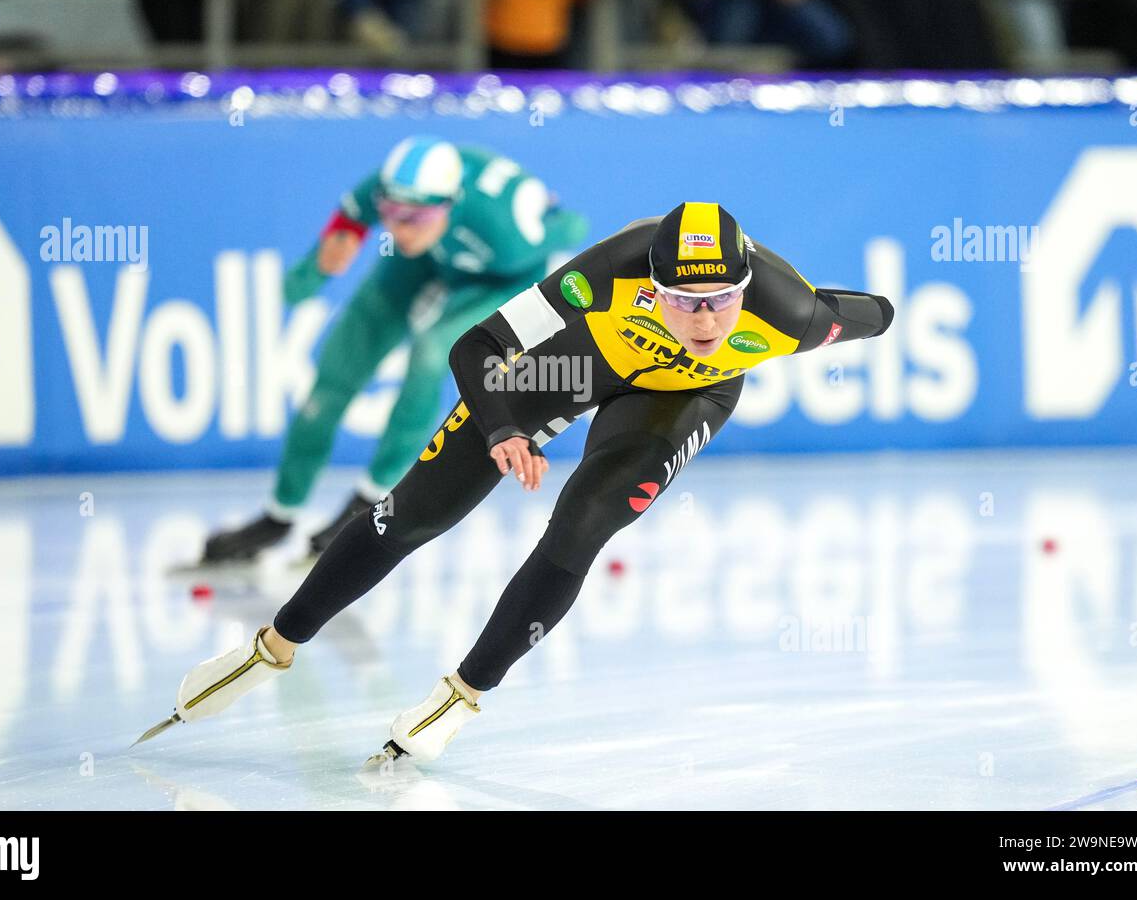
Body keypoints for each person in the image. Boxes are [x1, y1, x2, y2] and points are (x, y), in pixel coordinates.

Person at [138, 202, 893, 762]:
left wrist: (880, 311)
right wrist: (503, 430)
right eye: (684, 300)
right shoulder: (610, 270)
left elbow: (867, 314)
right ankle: (272, 645)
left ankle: (463, 693)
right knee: (413, 513)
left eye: (722, 300)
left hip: (682, 397)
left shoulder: (792, 315)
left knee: (583, 525)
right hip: (578, 359)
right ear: (651, 283)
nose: (704, 319)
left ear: (746, 285)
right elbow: (478, 344)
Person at [198, 135, 588, 564]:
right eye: (389, 214)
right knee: (334, 375)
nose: (397, 228)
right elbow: (293, 291)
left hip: (499, 277)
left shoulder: (510, 229)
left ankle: (368, 501)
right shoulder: (384, 190)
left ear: (450, 203)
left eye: (414, 217)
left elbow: (576, 229)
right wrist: (319, 269)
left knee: (434, 351)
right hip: (425, 259)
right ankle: (278, 516)